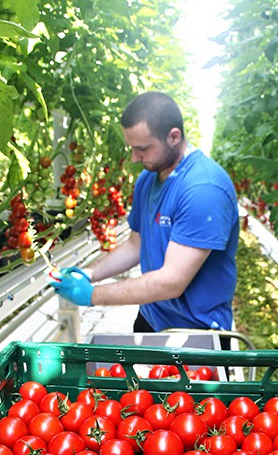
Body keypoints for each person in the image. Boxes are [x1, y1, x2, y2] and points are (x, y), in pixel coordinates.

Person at [50, 92, 240, 335]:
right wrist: (89, 274)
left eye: (142, 148)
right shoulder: (148, 179)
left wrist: (93, 295)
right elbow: (135, 245)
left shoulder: (203, 190)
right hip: (151, 318)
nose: (134, 157)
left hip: (197, 333)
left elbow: (172, 282)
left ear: (174, 136)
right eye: (131, 147)